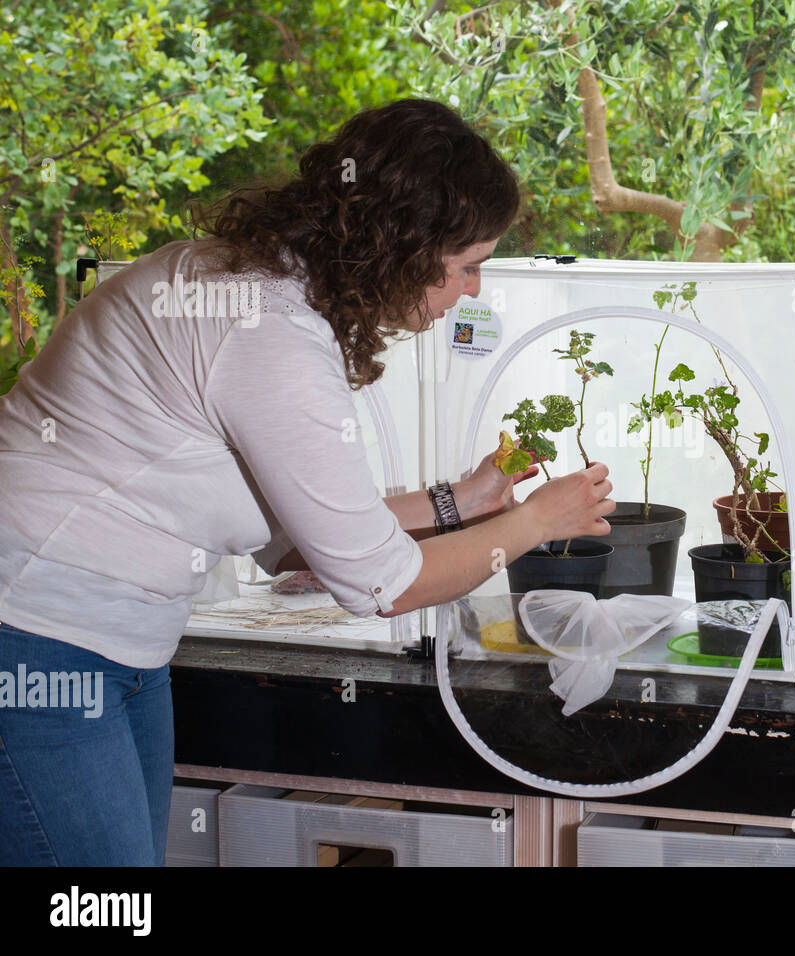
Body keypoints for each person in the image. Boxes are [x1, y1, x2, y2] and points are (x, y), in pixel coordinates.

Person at [0, 98, 615, 866]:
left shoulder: (259, 292)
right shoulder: (268, 331)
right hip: (34, 631)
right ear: (404, 246)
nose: (474, 290)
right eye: (466, 265)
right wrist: (533, 522)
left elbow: (301, 540)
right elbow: (379, 582)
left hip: (116, 643)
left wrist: (464, 501)